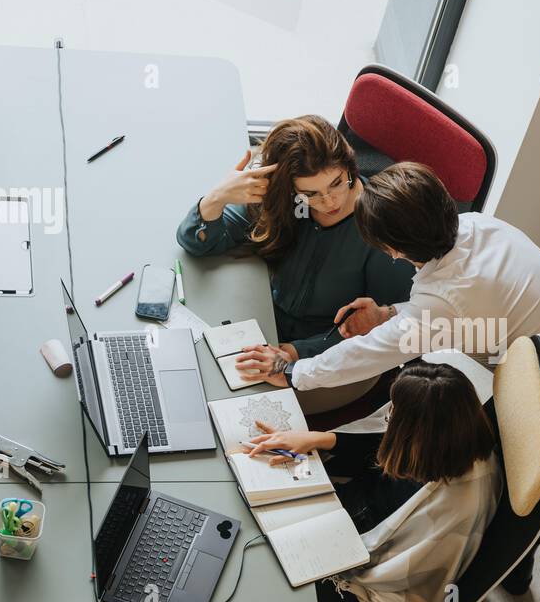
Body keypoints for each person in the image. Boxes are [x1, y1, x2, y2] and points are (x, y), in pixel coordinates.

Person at [236, 161, 540, 457]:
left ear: (392, 250)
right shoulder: (481, 225)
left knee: (457, 449)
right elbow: (449, 307)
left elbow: (368, 355)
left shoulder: (445, 300)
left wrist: (294, 372)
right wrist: (388, 314)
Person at [244, 361, 502, 602]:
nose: (387, 418)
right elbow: (376, 437)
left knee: (262, 574)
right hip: (358, 512)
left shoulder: (456, 504)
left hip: (367, 582)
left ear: (415, 434)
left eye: (394, 417)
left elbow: (403, 578)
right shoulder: (450, 438)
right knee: (258, 511)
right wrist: (316, 439)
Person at [177, 115, 414, 411]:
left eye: (337, 183)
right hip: (267, 327)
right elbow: (199, 242)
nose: (329, 201)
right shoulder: (293, 204)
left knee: (225, 406)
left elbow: (385, 329)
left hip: (331, 356)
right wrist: (216, 198)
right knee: (189, 377)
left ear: (349, 164)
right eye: (311, 193)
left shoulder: (382, 232)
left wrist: (294, 353)